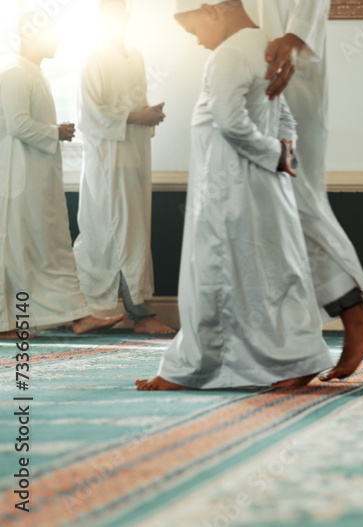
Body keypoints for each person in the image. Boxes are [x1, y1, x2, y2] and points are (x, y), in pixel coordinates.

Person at [136, 0, 333, 390]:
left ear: (214, 11)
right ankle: (295, 360)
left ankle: (192, 369)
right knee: (271, 275)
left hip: (229, 190)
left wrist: (275, 154)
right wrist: (285, 154)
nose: (196, 42)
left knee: (212, 275)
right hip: (265, 186)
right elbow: (283, 114)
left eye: (194, 31)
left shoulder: (228, 55)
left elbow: (229, 121)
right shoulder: (266, 45)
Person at [241, 0, 363, 380]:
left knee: (293, 198)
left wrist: (292, 39)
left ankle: (328, 332)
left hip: (287, 72)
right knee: (279, 205)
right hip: (254, 68)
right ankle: (333, 327)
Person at [0, 11, 124, 339]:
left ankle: (74, 315)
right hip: (18, 181)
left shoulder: (29, 72)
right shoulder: (14, 72)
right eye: (53, 35)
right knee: (20, 252)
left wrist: (56, 132)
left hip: (34, 180)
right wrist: (55, 132)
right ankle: (8, 323)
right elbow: (17, 124)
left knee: (48, 248)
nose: (58, 42)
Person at [73, 0, 175, 335]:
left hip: (135, 157)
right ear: (102, 18)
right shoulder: (95, 58)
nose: (116, 19)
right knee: (104, 231)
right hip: (107, 161)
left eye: (120, 13)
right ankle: (87, 310)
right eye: (109, 14)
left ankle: (141, 314)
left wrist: (148, 113)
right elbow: (90, 115)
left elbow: (132, 102)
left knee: (134, 233)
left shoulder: (135, 56)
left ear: (127, 16)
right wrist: (135, 117)